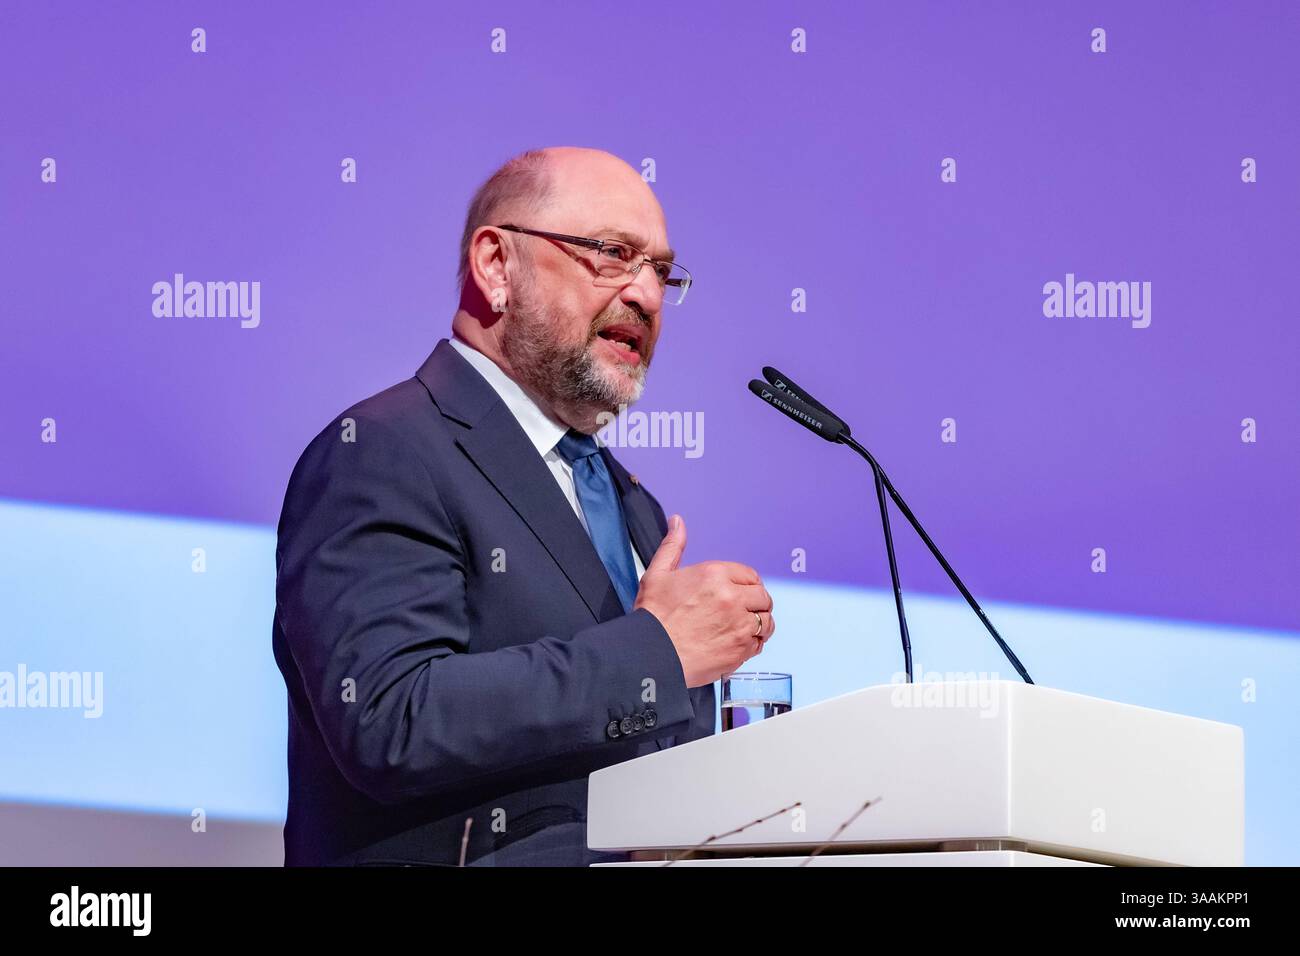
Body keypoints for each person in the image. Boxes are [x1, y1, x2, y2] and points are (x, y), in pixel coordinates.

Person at [272, 146, 775, 866]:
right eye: (612, 253)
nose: (648, 296)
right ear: (497, 267)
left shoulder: (631, 503)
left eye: (662, 271)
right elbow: (388, 719)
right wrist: (656, 650)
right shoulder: (383, 451)